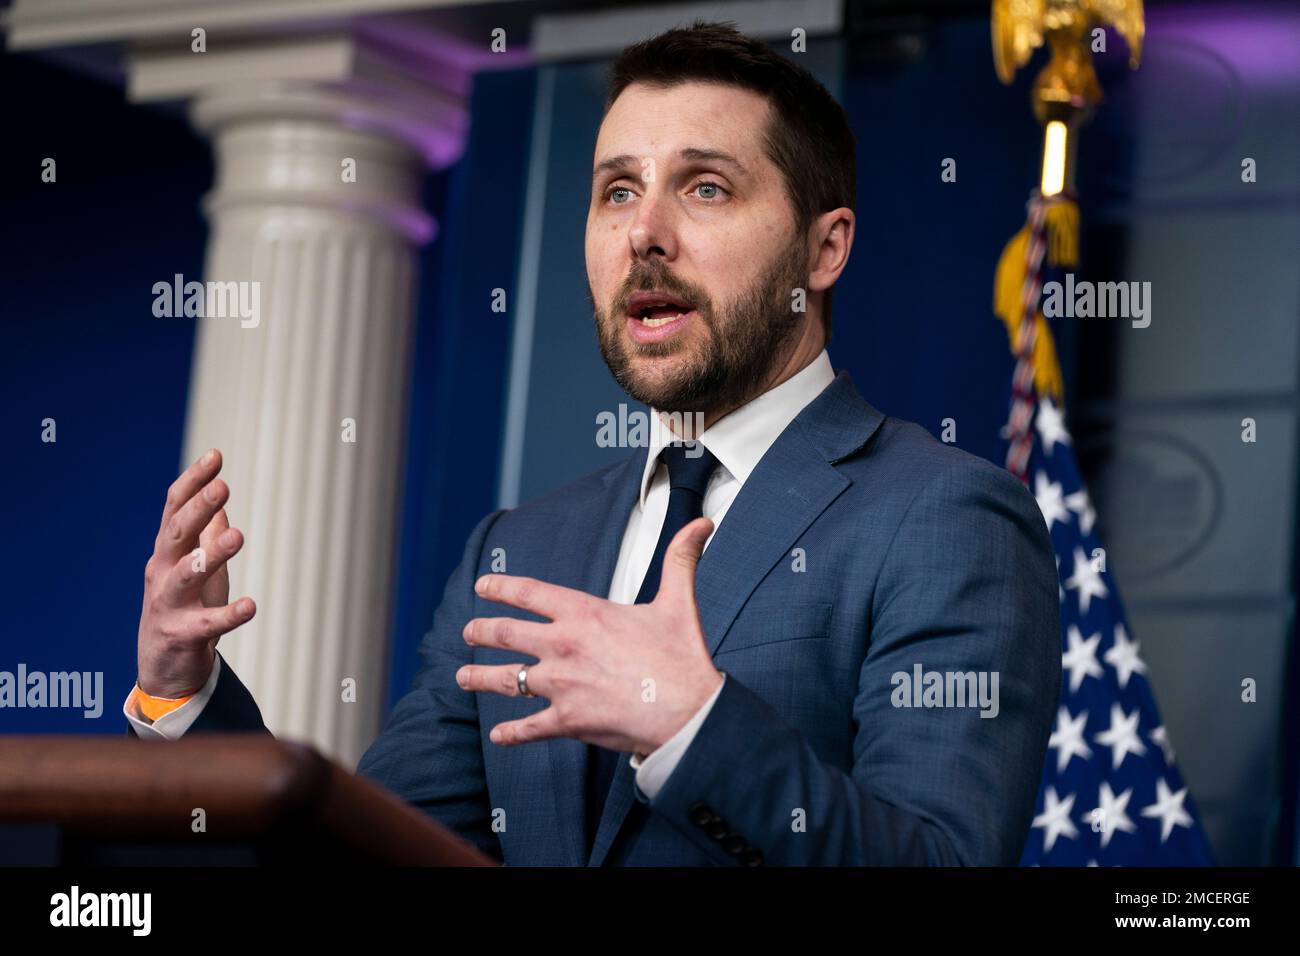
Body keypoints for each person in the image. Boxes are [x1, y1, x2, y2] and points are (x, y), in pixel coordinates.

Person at [125, 21, 1061, 866]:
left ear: (825, 250)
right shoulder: (522, 548)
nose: (644, 234)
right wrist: (188, 701)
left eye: (705, 187)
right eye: (617, 191)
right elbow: (370, 857)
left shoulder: (945, 517)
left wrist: (691, 725)